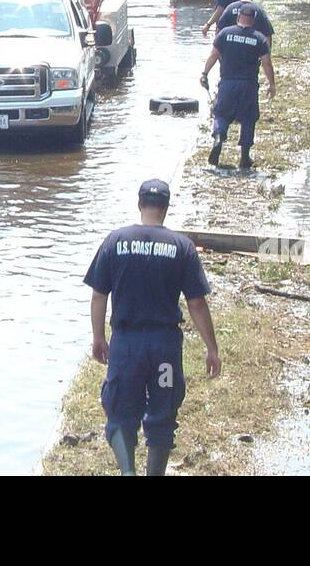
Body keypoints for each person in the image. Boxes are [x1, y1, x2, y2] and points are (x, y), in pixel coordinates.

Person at [84, 178, 221, 477]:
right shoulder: (182, 247)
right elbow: (196, 303)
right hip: (164, 350)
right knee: (162, 412)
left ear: (139, 205)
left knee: (120, 412)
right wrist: (212, 349)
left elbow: (99, 294)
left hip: (126, 346)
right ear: (166, 208)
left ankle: (128, 472)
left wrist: (98, 337)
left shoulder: (115, 241)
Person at [201, 2, 275, 169]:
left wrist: (204, 74)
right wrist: (272, 84)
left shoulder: (225, 34)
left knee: (221, 114)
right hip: (248, 85)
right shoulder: (259, 38)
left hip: (227, 83)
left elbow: (213, 55)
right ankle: (244, 157)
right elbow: (267, 63)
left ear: (238, 16)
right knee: (248, 118)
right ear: (253, 20)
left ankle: (219, 137)